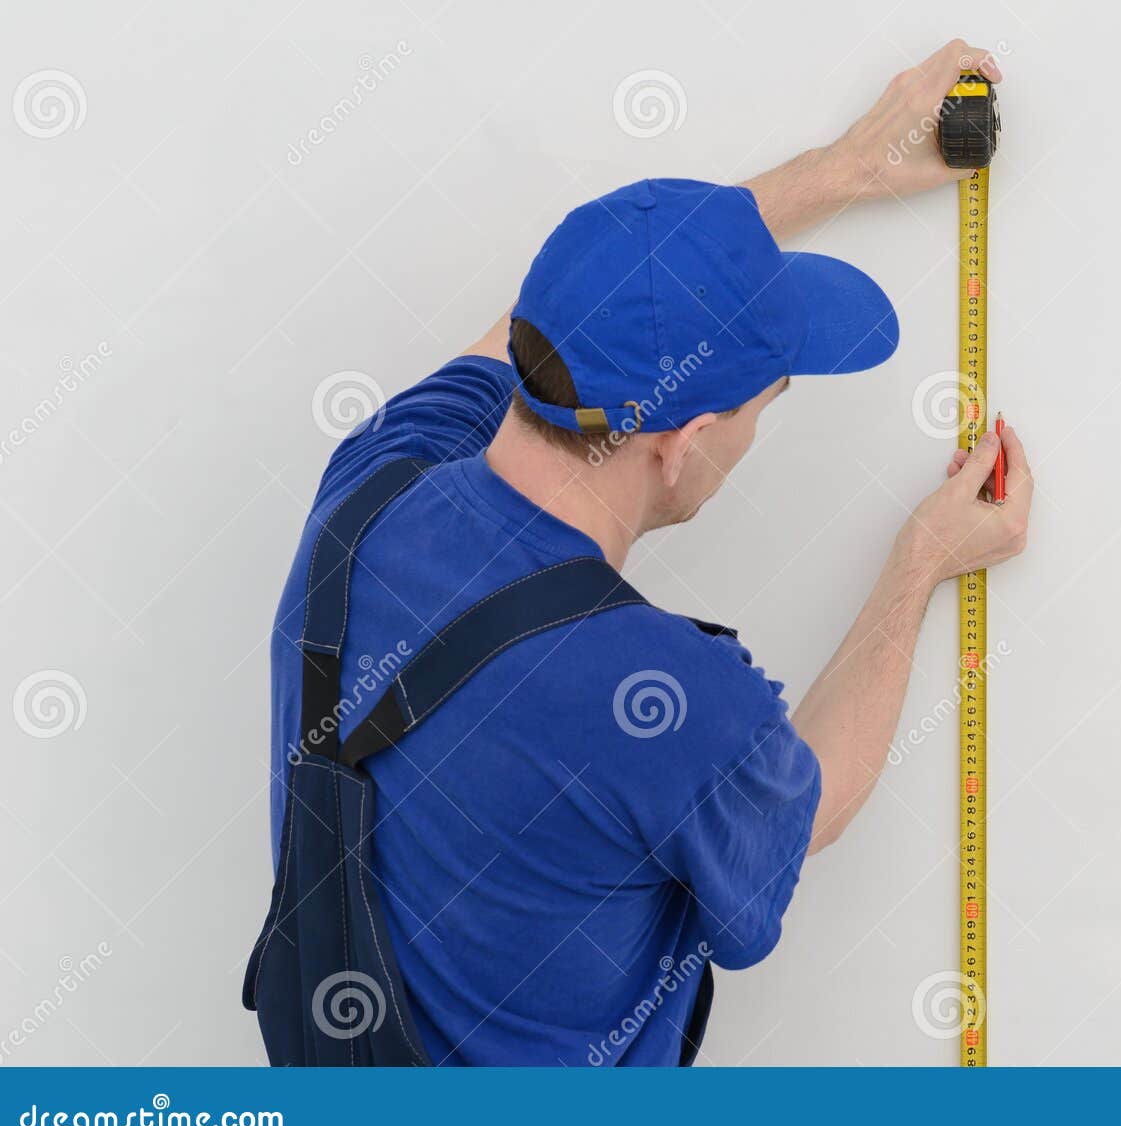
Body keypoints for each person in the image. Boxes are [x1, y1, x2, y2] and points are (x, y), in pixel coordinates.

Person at [248, 38, 1032, 1067]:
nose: (759, 428)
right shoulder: (663, 697)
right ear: (685, 443)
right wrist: (921, 559)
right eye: (766, 402)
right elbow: (807, 804)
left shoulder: (370, 489)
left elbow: (530, 331)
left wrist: (843, 169)